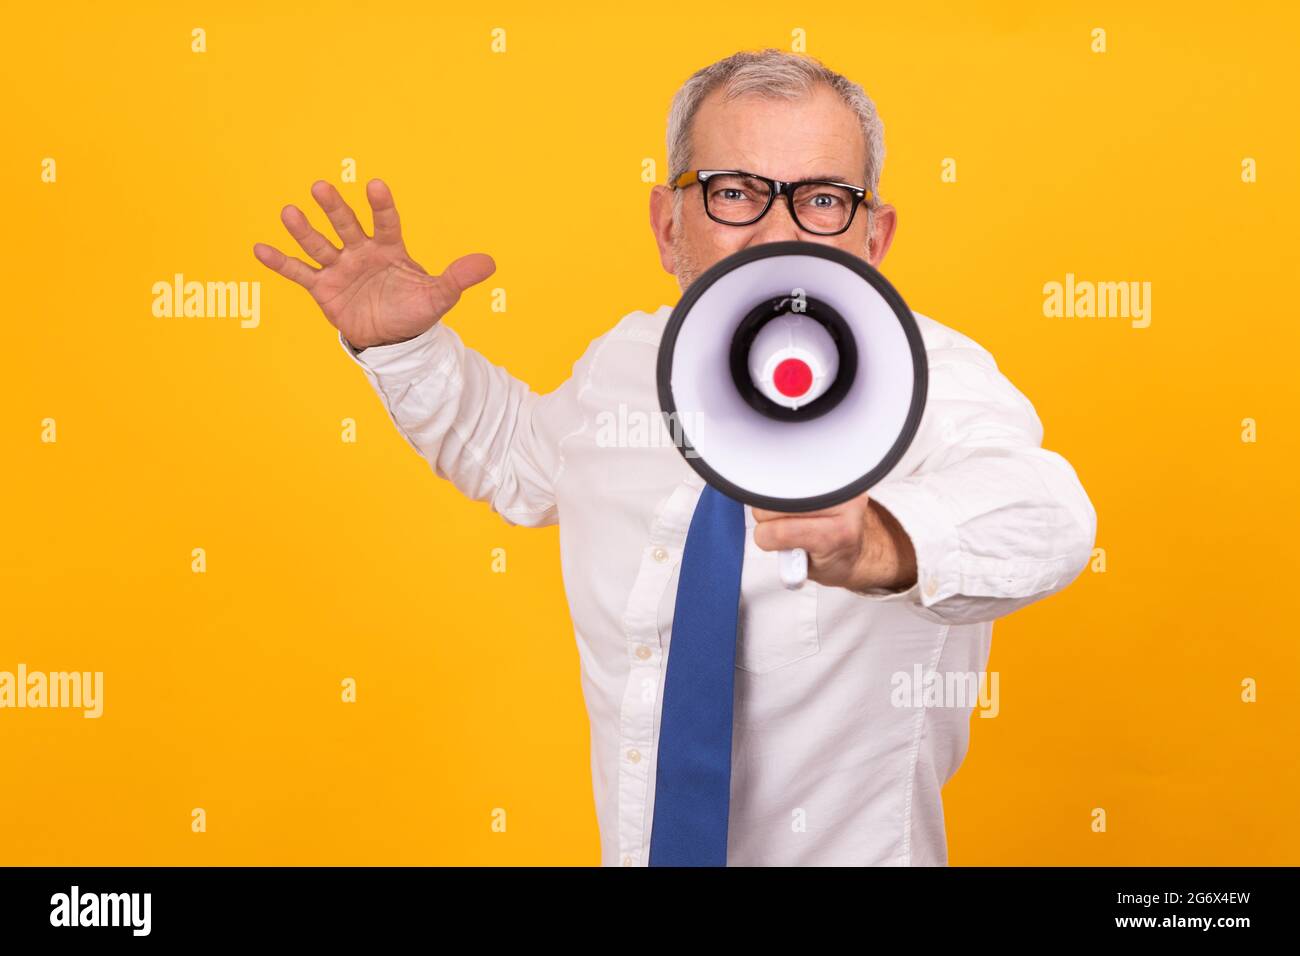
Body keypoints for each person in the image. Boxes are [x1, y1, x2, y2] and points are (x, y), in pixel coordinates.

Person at [253, 48, 1097, 866]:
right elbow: (521, 461)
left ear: (874, 235)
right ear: (667, 225)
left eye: (824, 200)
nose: (778, 232)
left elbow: (1049, 515)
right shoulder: (625, 365)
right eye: (734, 192)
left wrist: (877, 542)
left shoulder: (929, 377)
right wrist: (408, 350)